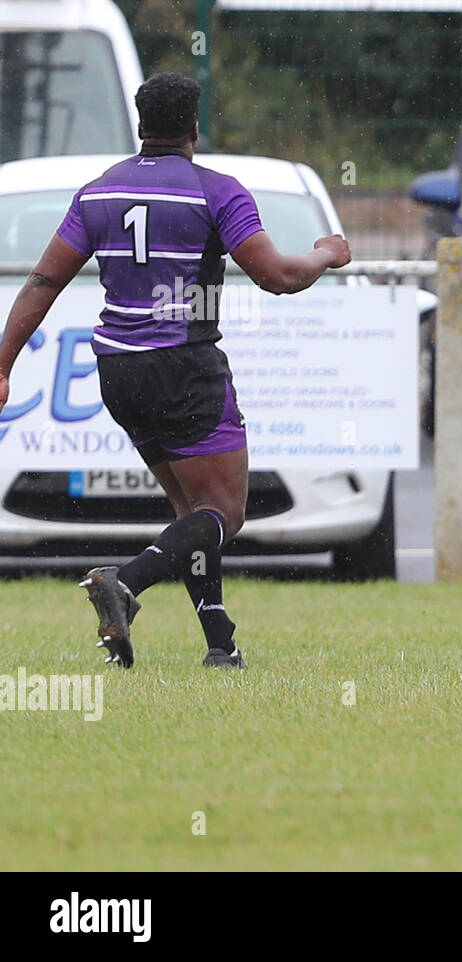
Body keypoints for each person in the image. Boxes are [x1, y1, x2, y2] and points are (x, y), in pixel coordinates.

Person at [0, 72, 351, 670]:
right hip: (183, 368)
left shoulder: (97, 193)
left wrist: (4, 363)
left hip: (117, 371)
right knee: (224, 513)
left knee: (192, 515)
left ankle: (221, 645)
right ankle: (124, 581)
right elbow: (276, 276)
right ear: (194, 127)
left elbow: (43, 281)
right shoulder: (216, 191)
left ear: (141, 125)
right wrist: (327, 253)